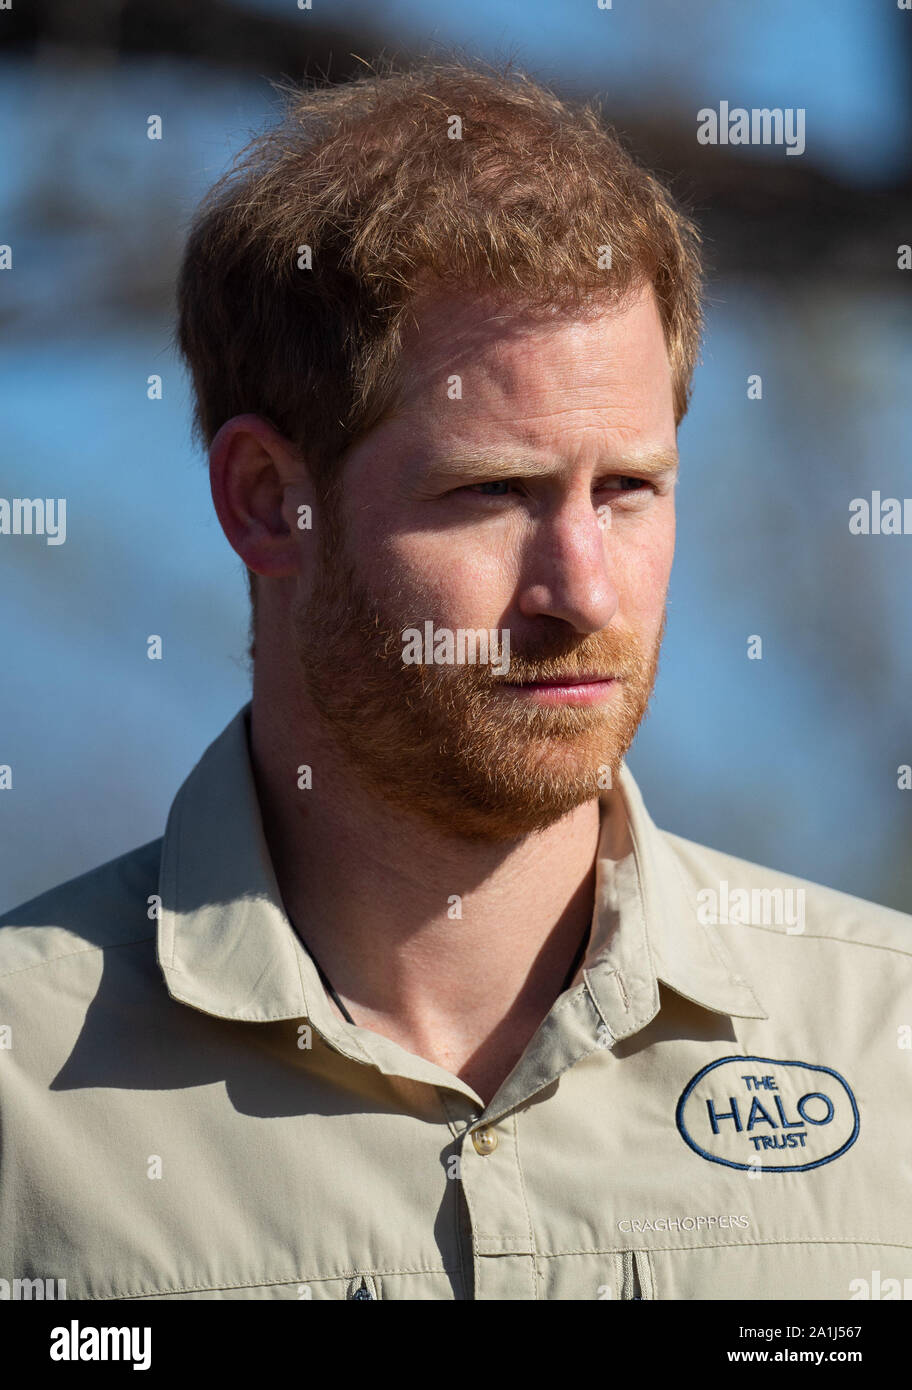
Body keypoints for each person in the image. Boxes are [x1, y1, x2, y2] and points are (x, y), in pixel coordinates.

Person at [1, 59, 910, 1303]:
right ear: (269, 503)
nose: (582, 591)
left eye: (629, 489)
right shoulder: (25, 1087)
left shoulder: (887, 1039)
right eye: (494, 492)